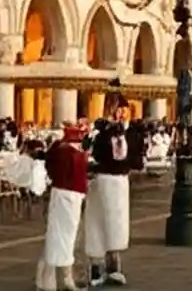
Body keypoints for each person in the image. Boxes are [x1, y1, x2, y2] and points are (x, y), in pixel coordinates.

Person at [85, 98, 141, 286]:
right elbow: (94, 153)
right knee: (98, 221)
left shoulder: (132, 133)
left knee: (116, 223)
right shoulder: (102, 134)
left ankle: (114, 266)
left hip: (120, 182)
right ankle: (96, 267)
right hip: (103, 180)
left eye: (124, 110)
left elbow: (135, 157)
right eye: (117, 110)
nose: (121, 114)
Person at [37, 123, 89, 291]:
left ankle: (47, 281)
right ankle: (64, 280)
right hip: (69, 198)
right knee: (66, 237)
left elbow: (48, 163)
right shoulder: (76, 154)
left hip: (60, 195)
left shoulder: (59, 151)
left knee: (56, 236)